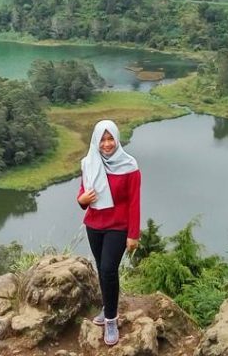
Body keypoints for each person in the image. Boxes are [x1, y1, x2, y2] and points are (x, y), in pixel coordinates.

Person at [77, 119, 141, 347]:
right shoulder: (89, 162)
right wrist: (81, 200)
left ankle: (112, 320)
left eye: (110, 138)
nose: (107, 144)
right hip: (94, 224)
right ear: (96, 140)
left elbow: (134, 202)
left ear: (117, 138)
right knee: (102, 270)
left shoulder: (130, 166)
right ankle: (108, 307)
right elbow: (83, 192)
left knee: (108, 269)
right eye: (102, 139)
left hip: (118, 226)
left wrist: (133, 234)